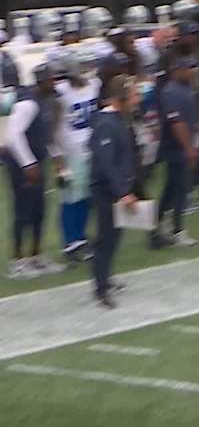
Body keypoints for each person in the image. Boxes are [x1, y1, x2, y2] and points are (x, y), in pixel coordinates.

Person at [3, 63, 66, 280]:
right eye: (51, 79)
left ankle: (36, 257)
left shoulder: (47, 101)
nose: (54, 82)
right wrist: (28, 164)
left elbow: (45, 135)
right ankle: (17, 261)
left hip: (36, 163)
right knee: (23, 213)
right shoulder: (28, 103)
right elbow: (13, 135)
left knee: (39, 211)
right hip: (21, 166)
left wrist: (56, 157)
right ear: (41, 81)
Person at [88, 75, 137, 308]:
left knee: (114, 236)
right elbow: (106, 163)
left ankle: (106, 278)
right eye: (134, 95)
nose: (137, 100)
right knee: (105, 239)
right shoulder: (107, 124)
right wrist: (122, 192)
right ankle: (100, 289)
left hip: (116, 189)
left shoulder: (118, 120)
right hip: (107, 191)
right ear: (121, 98)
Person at [53, 49, 101, 263]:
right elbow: (53, 128)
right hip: (71, 153)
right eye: (82, 66)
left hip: (91, 149)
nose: (87, 70)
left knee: (88, 197)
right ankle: (71, 242)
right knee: (71, 198)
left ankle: (81, 238)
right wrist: (58, 158)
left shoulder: (94, 85)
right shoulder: (60, 92)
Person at [152, 57, 199, 249]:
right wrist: (189, 148)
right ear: (177, 70)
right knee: (180, 190)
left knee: (171, 189)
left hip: (182, 146)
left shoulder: (186, 88)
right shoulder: (171, 92)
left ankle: (155, 225)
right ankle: (177, 231)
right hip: (176, 148)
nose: (193, 72)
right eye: (189, 68)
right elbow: (177, 123)